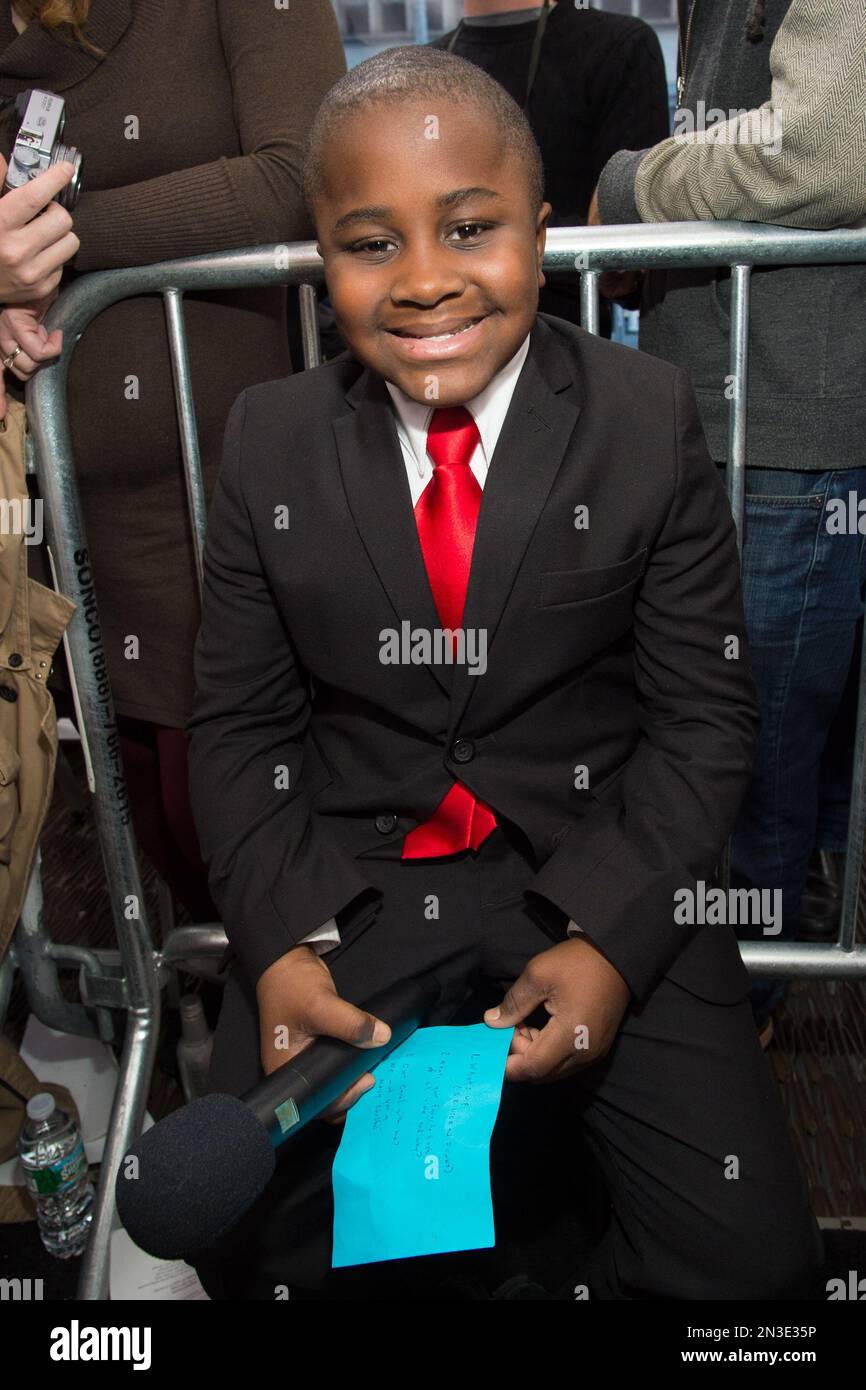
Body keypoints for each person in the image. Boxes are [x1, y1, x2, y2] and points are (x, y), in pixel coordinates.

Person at [186, 46, 822, 1301]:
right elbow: (237, 731)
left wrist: (610, 938)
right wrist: (281, 945)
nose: (425, 281)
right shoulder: (269, 441)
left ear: (538, 231)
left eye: (468, 228)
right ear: (323, 260)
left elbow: (702, 717)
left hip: (603, 860)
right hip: (359, 887)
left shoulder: (646, 418)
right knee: (259, 1245)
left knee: (751, 1271)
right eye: (372, 245)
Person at [0, 0, 346, 924]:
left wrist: (47, 245)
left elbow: (298, 176)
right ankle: (213, 1020)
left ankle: (301, 1023)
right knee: (130, 803)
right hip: (54, 502)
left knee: (245, 809)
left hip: (223, 493)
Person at [592, 0, 866, 1037]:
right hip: (758, 410)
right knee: (768, 755)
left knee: (747, 760)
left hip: (788, 429)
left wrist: (629, 192)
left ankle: (738, 1006)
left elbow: (816, 150)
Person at [432, 0, 669, 336]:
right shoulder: (424, 68)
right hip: (443, 333)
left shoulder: (619, 47)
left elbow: (629, 268)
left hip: (566, 340)